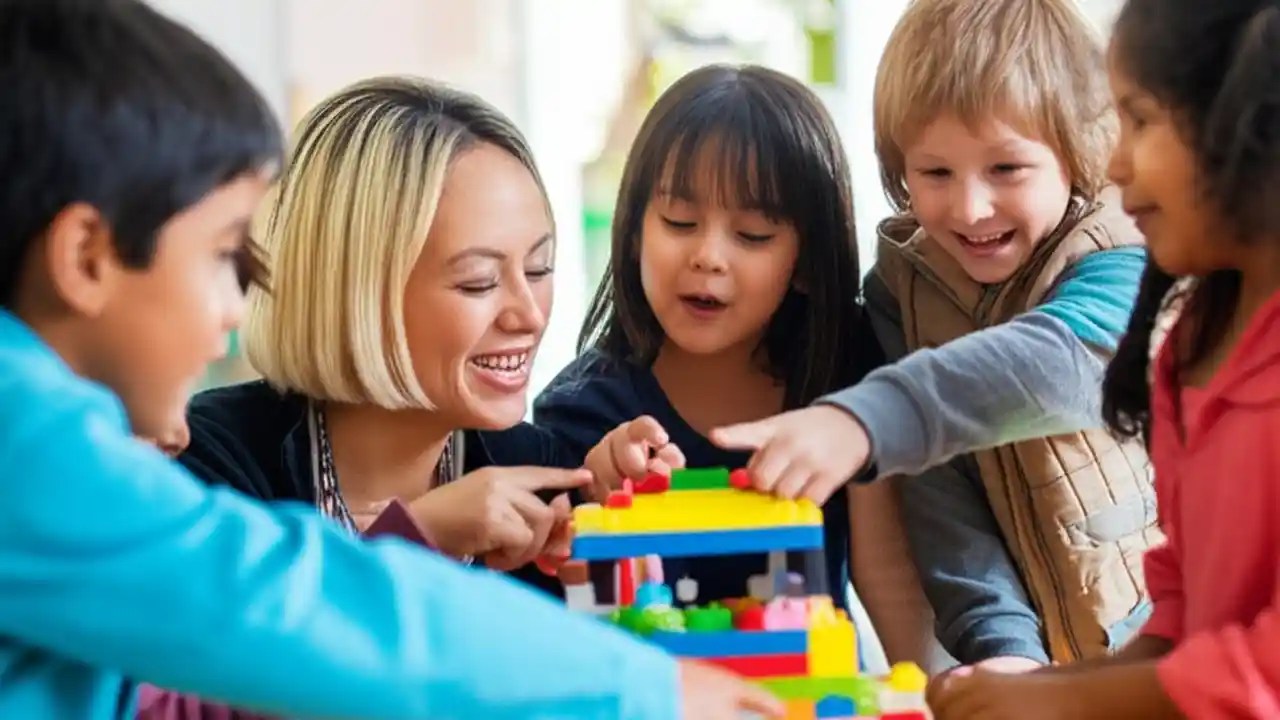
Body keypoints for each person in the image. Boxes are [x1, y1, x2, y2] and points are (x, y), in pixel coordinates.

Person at [0, 1, 782, 718]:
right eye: (221, 255)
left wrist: (609, 567)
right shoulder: (42, 448)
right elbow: (273, 613)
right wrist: (642, 688)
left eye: (542, 269)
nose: (238, 304)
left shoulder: (542, 468)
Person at [711, 0, 1158, 669]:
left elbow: (1057, 368)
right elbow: (942, 504)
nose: (970, 208)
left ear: (1076, 150)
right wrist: (1002, 647)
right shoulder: (900, 294)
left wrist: (866, 420)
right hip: (1041, 673)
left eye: (1006, 169)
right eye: (935, 173)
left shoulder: (1124, 252)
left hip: (1166, 647)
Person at [175, 76, 667, 597]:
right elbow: (219, 640)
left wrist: (613, 553)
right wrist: (415, 536)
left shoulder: (542, 471)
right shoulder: (210, 463)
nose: (528, 314)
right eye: (480, 281)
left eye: (539, 269)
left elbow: (616, 627)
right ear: (357, 292)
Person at [928, 0, 1280, 717]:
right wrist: (1038, 690)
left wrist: (1071, 703)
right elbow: (1182, 616)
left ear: (1248, 122)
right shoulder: (1194, 344)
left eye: (1140, 120)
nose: (1115, 165)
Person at [535, 64, 881, 614]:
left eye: (752, 235)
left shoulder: (855, 379)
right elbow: (564, 613)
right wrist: (595, 506)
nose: (708, 256)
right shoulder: (580, 413)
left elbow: (891, 578)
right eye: (678, 221)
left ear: (807, 262)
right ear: (633, 232)